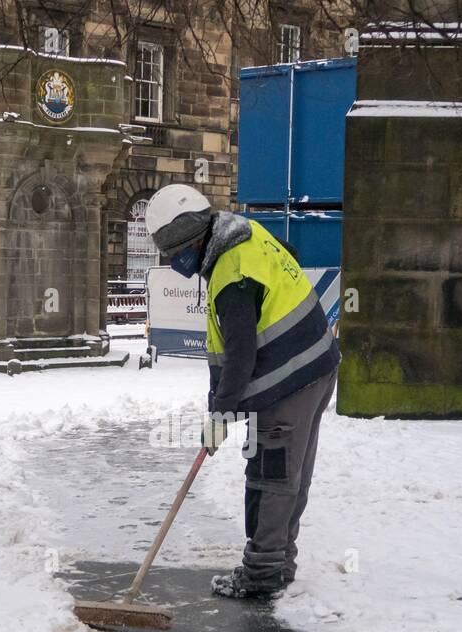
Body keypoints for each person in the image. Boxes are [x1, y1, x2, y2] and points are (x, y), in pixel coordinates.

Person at [144, 184, 340, 599]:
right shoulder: (243, 232)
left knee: (271, 475)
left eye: (177, 253)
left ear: (192, 242)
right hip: (316, 367)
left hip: (287, 381)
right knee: (292, 473)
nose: (177, 264)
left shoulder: (231, 274)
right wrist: (223, 409)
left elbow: (239, 352)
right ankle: (280, 561)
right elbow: (290, 255)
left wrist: (220, 414)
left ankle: (263, 572)